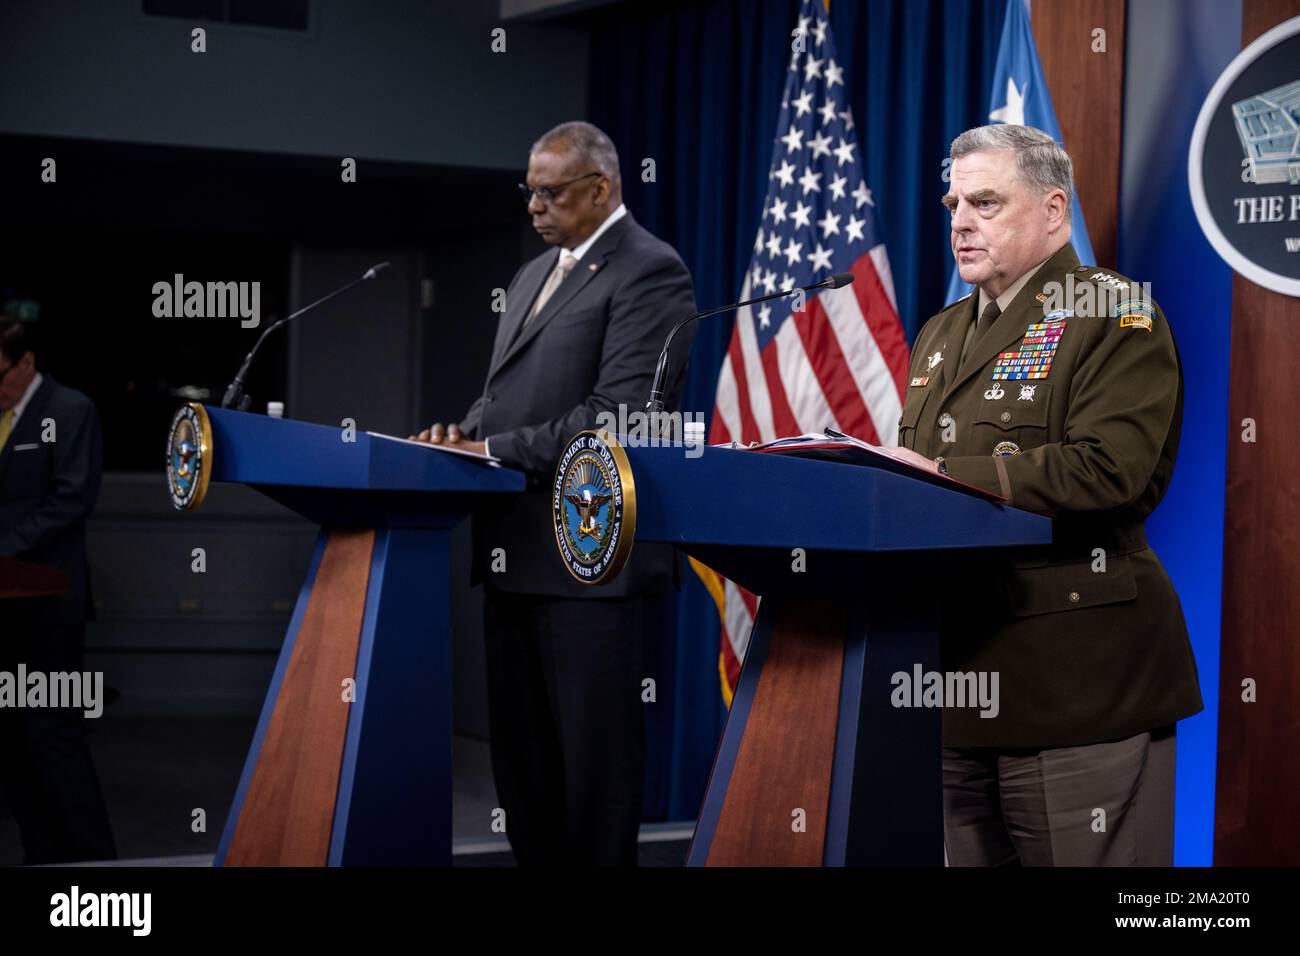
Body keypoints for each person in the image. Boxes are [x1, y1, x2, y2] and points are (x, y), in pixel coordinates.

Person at [888, 125, 1202, 866]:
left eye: (987, 202)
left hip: (1075, 684)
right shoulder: (939, 334)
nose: (961, 220)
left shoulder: (1117, 313)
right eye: (954, 202)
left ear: (1054, 210)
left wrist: (937, 474)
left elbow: (1109, 470)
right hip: (958, 686)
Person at [412, 121, 696, 866]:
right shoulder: (533, 276)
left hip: (590, 562)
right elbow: (502, 400)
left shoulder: (650, 270)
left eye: (551, 191)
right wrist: (460, 434)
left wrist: (494, 448)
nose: (534, 206)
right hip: (511, 553)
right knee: (526, 771)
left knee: (592, 779)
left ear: (600, 189)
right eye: (529, 191)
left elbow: (623, 416)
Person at [0, 317, 116, 863]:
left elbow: (69, 502)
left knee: (53, 737)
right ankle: (41, 859)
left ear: (25, 362)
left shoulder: (71, 410)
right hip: (5, 605)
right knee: (13, 744)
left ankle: (95, 867)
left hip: (50, 608)